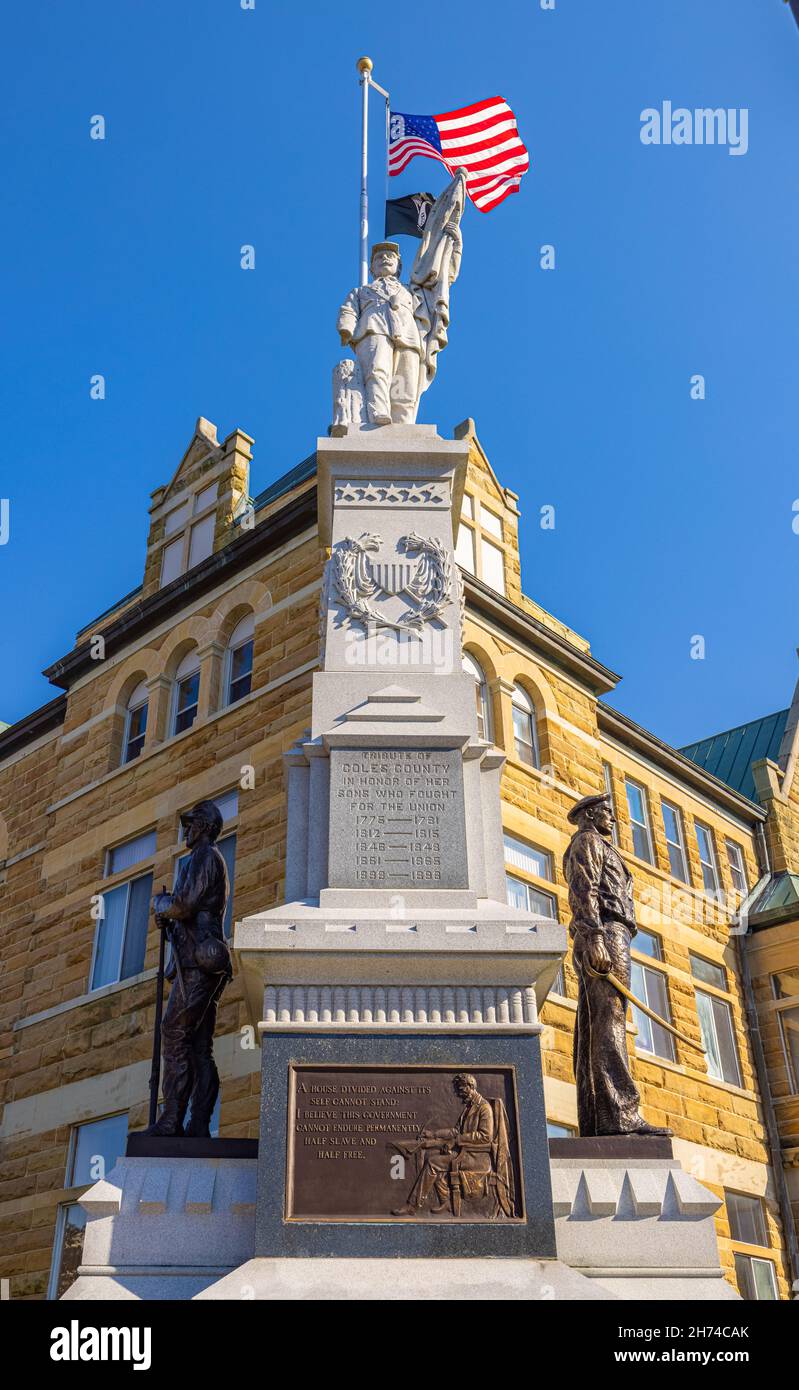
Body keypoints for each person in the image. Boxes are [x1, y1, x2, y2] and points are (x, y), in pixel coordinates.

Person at [563, 792, 671, 1138]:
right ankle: (621, 1114)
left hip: (612, 932)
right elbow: (584, 890)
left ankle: (602, 1118)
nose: (613, 818)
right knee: (609, 1020)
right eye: (607, 812)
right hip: (605, 932)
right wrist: (595, 937)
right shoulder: (588, 841)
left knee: (600, 1023)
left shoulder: (599, 844)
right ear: (590, 815)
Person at [145, 799, 232, 1138]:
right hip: (198, 959)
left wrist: (160, 904)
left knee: (174, 1031)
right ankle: (197, 1125)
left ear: (204, 826)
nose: (186, 829)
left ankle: (172, 1119)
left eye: (191, 823)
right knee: (197, 1044)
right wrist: (168, 918)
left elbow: (183, 905)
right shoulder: (203, 857)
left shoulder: (205, 855)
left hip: (198, 962)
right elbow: (184, 914)